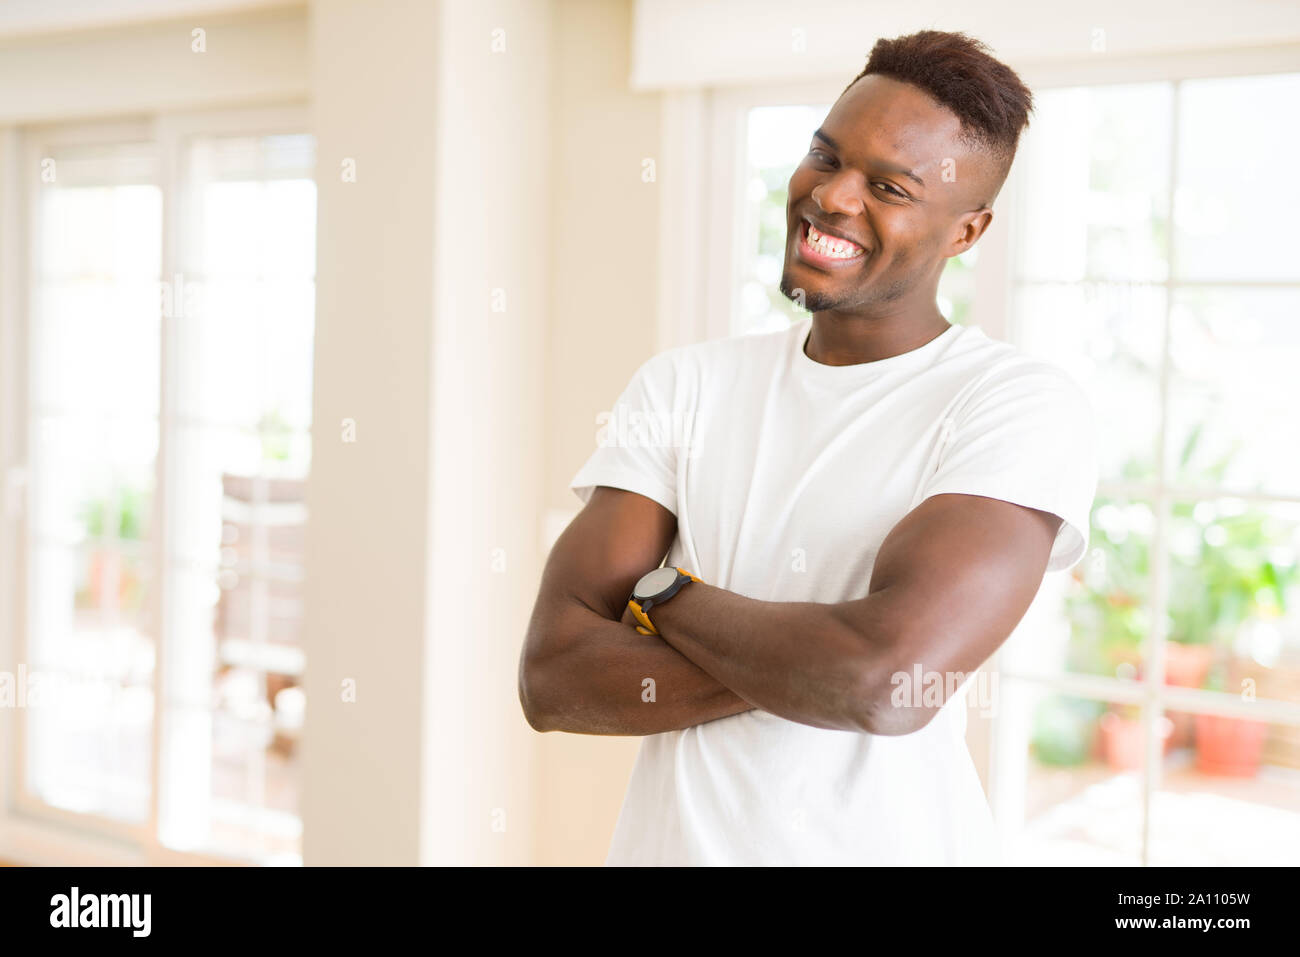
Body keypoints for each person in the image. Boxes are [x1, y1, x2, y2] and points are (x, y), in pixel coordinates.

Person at [519, 29, 1098, 866]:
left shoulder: (1014, 406)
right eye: (826, 157)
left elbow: (889, 683)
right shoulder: (684, 385)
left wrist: (663, 594)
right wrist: (821, 660)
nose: (832, 197)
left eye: (889, 186)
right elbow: (554, 675)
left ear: (966, 232)